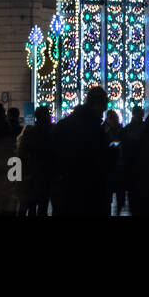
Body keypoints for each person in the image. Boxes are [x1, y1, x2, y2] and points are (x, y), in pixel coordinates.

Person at [51, 87, 114, 216]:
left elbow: (51, 158)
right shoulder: (95, 130)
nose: (102, 114)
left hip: (65, 195)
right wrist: (114, 148)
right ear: (97, 105)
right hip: (89, 196)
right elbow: (103, 161)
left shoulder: (63, 125)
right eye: (103, 109)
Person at [16, 105, 56, 216]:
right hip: (47, 175)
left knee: (31, 205)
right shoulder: (52, 131)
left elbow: (22, 154)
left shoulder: (29, 132)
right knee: (43, 206)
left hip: (31, 175)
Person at [103, 108, 127, 214]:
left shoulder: (117, 129)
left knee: (119, 194)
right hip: (110, 166)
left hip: (117, 165)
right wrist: (117, 143)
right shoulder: (105, 130)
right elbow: (109, 145)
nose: (115, 120)